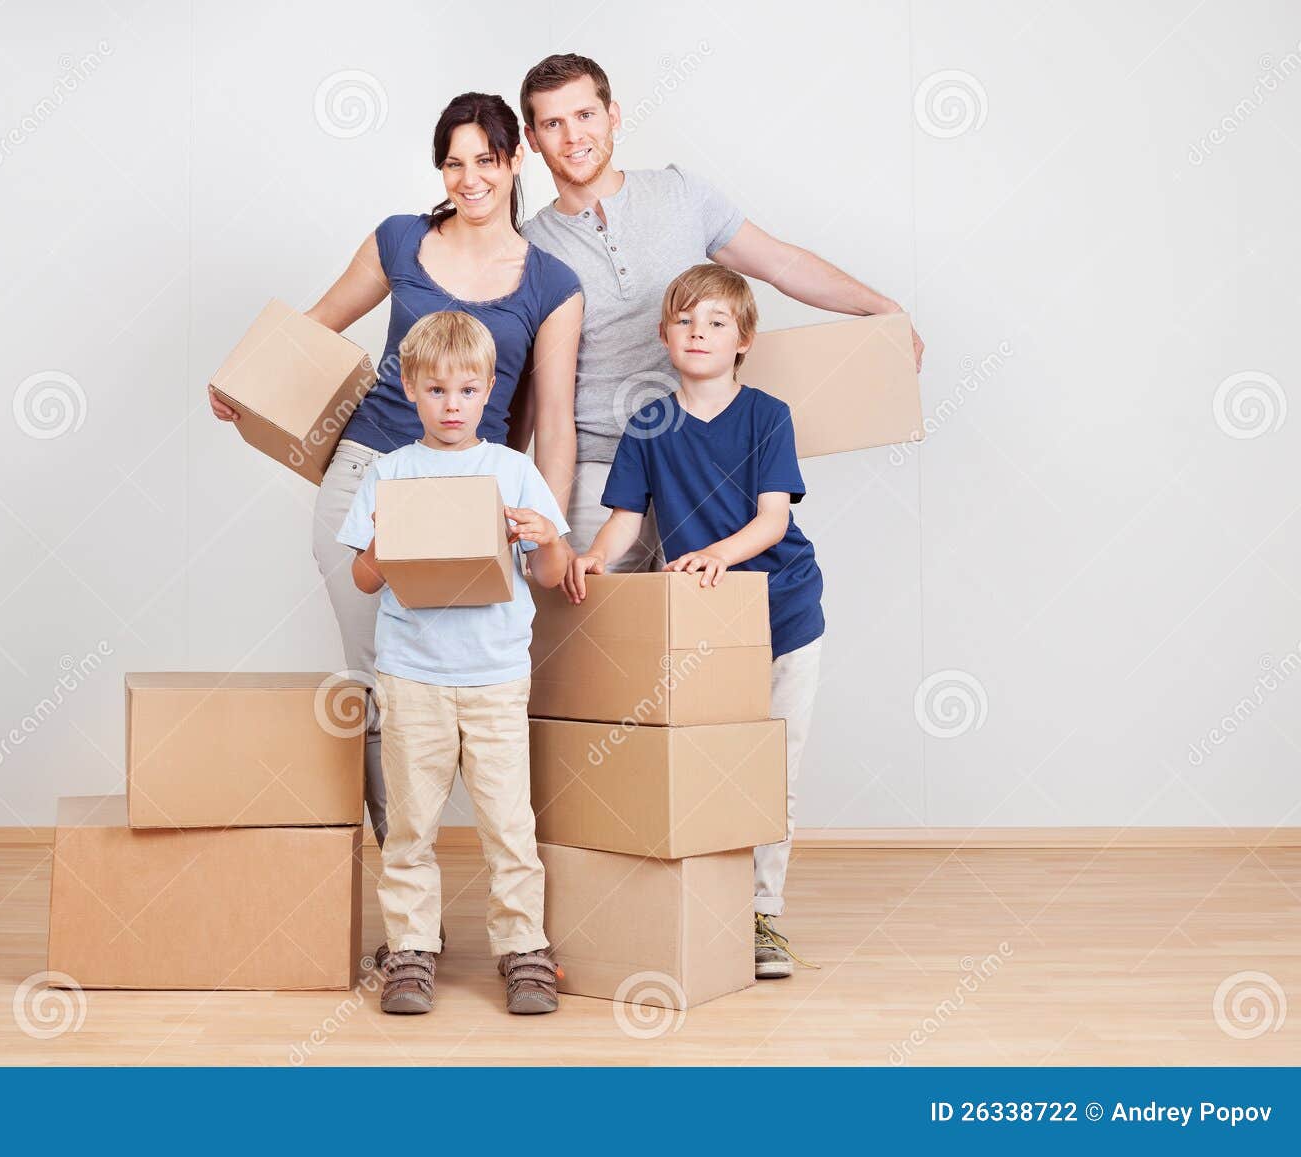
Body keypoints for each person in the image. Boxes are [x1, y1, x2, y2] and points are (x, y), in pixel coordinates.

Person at [208, 93, 582, 845]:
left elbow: (555, 420)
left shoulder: (553, 283)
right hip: (372, 471)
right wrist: (245, 379)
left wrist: (553, 531)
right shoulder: (399, 240)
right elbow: (317, 324)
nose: (469, 178)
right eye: (452, 162)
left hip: (475, 495)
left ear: (514, 162)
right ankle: (406, 877)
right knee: (382, 682)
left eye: (485, 160)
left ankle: (475, 862)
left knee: (464, 684)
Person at [517, 52, 924, 569]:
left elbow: (781, 262)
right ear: (532, 140)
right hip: (600, 471)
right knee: (598, 638)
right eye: (553, 123)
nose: (574, 136)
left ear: (613, 115)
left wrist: (882, 309)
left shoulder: (680, 193)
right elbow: (531, 395)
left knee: (714, 637)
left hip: (708, 459)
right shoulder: (528, 248)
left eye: (585, 115)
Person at [566, 265, 824, 979]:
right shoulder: (650, 423)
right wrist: (591, 557)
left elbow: (774, 520)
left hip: (784, 613)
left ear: (743, 339)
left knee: (773, 769)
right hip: (703, 624)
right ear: (663, 335)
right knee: (708, 766)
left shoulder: (766, 415)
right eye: (685, 321)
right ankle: (706, 902)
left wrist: (715, 552)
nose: (699, 333)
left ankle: (762, 915)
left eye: (715, 322)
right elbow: (626, 519)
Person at [337, 311, 570, 1015]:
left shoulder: (512, 470)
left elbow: (554, 572)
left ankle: (523, 944)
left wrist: (543, 537)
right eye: (436, 390)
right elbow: (364, 579)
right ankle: (410, 947)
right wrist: (383, 544)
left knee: (508, 821)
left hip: (496, 675)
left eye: (467, 390)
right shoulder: (391, 471)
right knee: (410, 823)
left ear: (490, 389)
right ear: (410, 388)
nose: (451, 405)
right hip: (413, 676)